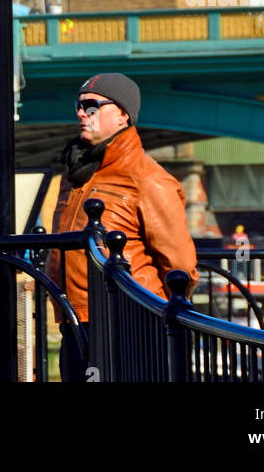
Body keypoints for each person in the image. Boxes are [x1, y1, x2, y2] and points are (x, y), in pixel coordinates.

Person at [46, 73, 198, 382]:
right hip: (75, 321)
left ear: (122, 115)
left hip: (127, 326)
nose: (80, 113)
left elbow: (180, 268)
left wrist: (151, 316)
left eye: (91, 106)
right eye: (79, 105)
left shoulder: (148, 178)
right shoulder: (76, 175)